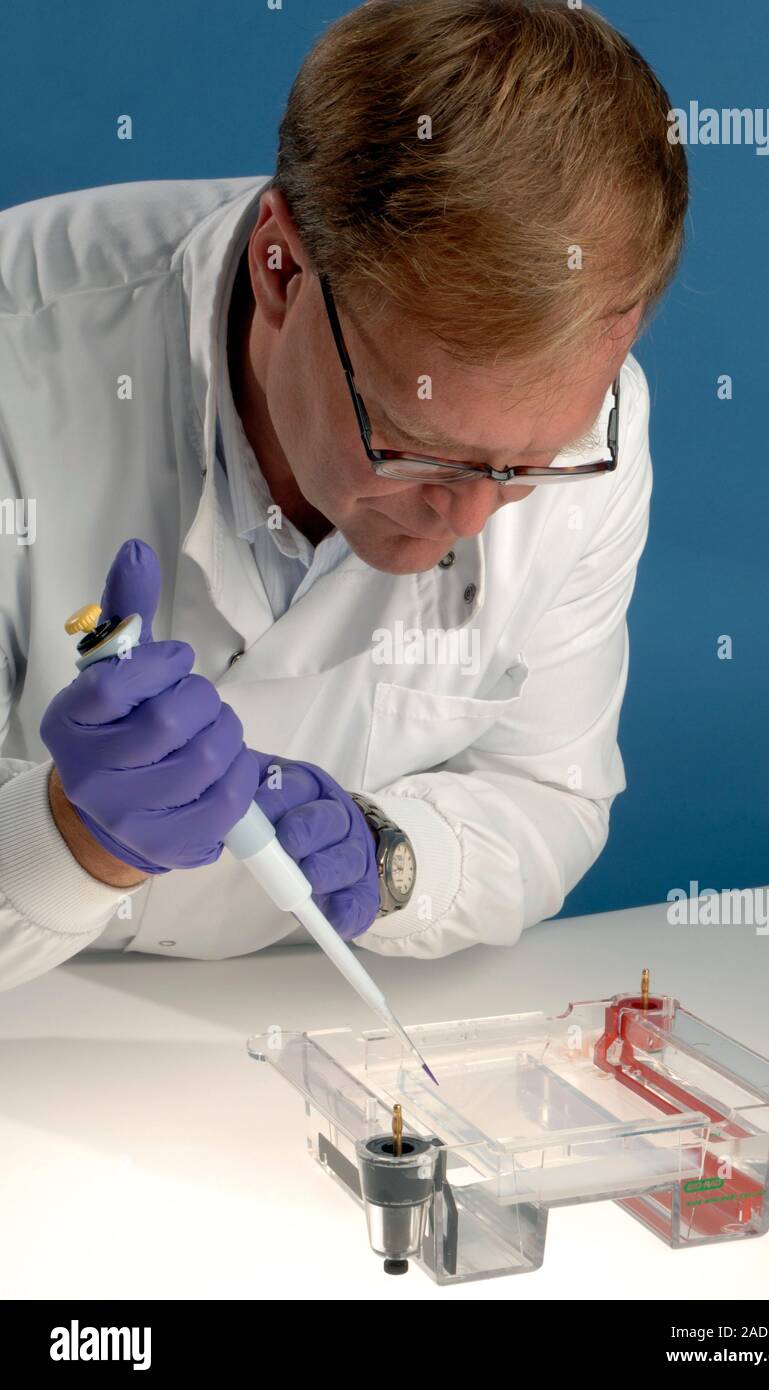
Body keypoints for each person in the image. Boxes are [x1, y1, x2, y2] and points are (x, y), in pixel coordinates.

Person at [0, 0, 688, 990]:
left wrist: (390, 856)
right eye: (414, 446)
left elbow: (549, 798)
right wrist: (71, 838)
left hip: (294, 1013)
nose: (470, 520)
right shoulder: (18, 358)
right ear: (279, 268)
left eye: (526, 467)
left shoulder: (584, 425)